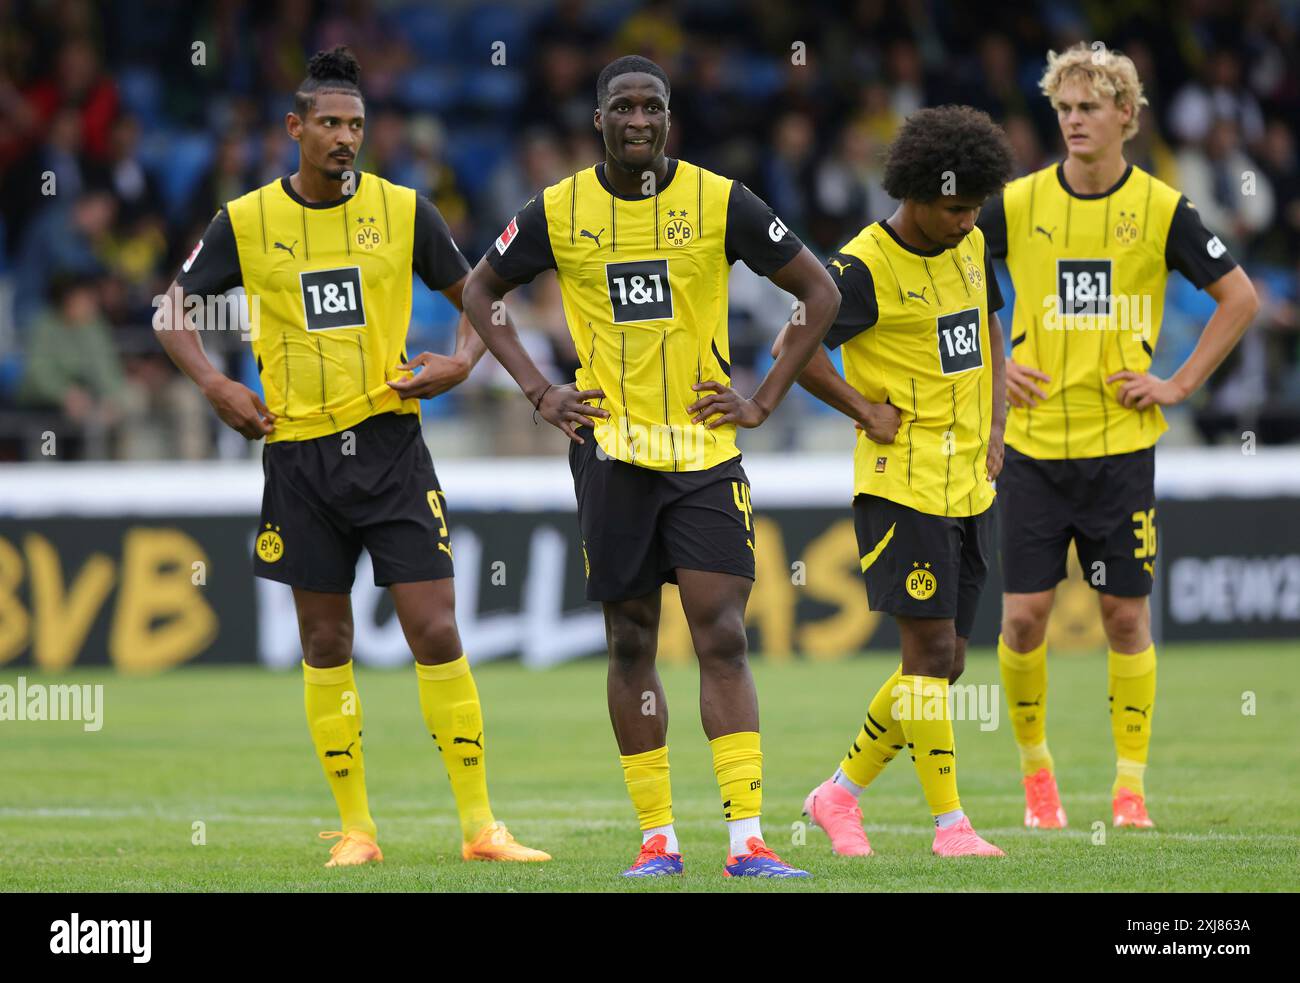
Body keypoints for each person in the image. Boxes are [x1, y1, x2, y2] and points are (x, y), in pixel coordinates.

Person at [155, 47, 549, 867]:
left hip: (389, 443)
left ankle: (481, 827)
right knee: (325, 641)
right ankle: (358, 830)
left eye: (356, 125)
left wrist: (461, 360)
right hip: (298, 454)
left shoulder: (405, 211)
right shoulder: (246, 220)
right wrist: (214, 385)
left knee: (435, 628)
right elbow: (170, 309)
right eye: (329, 123)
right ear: (294, 127)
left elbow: (481, 291)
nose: (344, 137)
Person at [462, 55, 840, 878]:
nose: (639, 120)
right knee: (630, 638)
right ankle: (658, 839)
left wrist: (763, 398)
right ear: (598, 120)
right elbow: (480, 289)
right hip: (611, 453)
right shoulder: (557, 211)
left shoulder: (720, 200)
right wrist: (538, 389)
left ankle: (748, 841)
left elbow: (819, 290)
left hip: (703, 450)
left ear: (670, 118)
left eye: (654, 106)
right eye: (623, 107)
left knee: (725, 633)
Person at [978, 43, 1258, 830]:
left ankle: (1129, 789)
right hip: (1032, 449)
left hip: (1120, 449)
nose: (1072, 122)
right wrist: (995, 369)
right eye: (1063, 109)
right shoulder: (1019, 202)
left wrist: (1178, 384)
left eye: (1089, 108)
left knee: (1124, 618)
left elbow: (1238, 298)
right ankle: (1038, 780)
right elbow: (952, 272)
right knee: (1024, 617)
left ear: (1126, 118)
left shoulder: (1164, 210)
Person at [787, 105, 1014, 858]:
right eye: (955, 206)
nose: (967, 218)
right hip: (899, 484)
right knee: (927, 654)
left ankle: (838, 794)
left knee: (945, 658)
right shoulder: (858, 269)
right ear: (913, 191)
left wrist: (997, 425)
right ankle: (952, 825)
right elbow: (797, 345)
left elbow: (988, 325)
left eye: (976, 205)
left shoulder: (973, 242)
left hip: (968, 484)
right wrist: (861, 408)